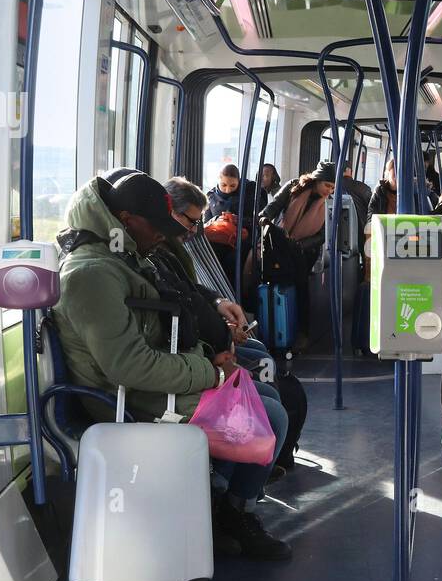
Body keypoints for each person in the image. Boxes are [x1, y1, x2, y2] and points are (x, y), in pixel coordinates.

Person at [50, 170, 292, 560]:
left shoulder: (119, 254)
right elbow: (130, 366)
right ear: (127, 220)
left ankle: (219, 504)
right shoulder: (92, 275)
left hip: (149, 384)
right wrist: (209, 373)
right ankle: (228, 511)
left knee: (258, 392)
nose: (163, 235)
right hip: (126, 400)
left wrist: (206, 358)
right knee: (270, 416)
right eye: (157, 227)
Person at [259, 159, 337, 347]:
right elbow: (273, 207)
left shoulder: (329, 204)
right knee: (264, 274)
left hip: (306, 249)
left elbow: (322, 235)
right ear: (317, 180)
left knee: (300, 282)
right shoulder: (294, 187)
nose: (329, 191)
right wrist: (264, 218)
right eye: (327, 185)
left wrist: (300, 245)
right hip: (279, 239)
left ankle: (302, 331)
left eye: (333, 188)